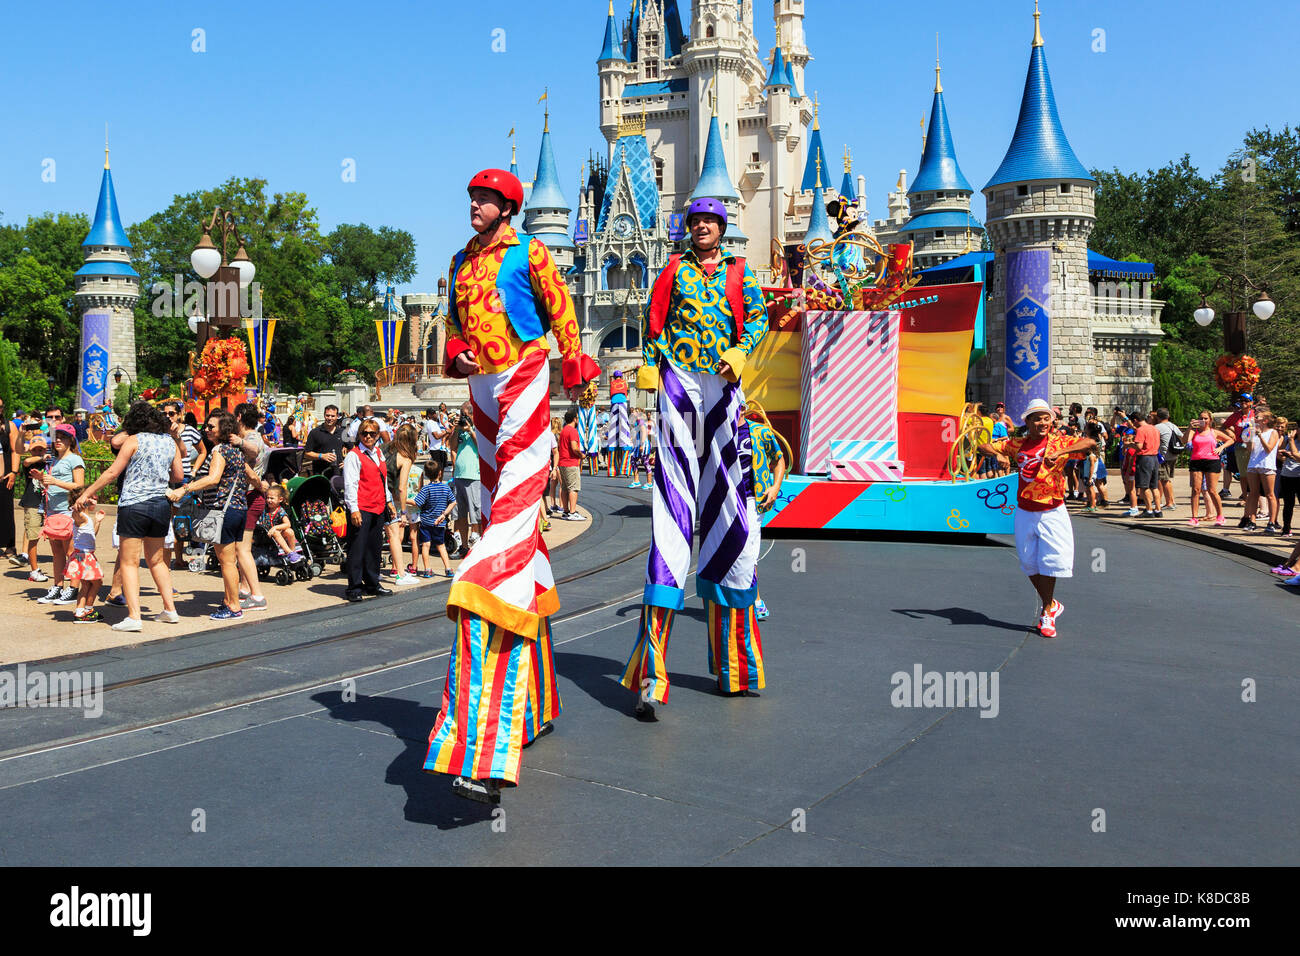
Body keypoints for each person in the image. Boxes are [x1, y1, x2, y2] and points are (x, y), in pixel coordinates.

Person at [423, 167, 599, 805]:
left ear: (508, 207)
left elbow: (562, 311)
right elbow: (453, 325)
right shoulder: (460, 262)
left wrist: (575, 362)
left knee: (503, 543)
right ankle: (539, 700)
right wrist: (457, 352)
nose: (474, 205)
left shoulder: (532, 252)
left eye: (484, 199)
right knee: (516, 530)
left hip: (525, 379)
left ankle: (484, 743)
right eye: (471, 197)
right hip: (481, 394)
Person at [622, 195, 768, 718]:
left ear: (721, 228)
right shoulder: (672, 271)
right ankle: (651, 678)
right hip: (680, 385)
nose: (702, 227)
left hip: (725, 386)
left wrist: (740, 351)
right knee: (672, 514)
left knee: (733, 519)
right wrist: (649, 364)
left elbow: (755, 319)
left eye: (710, 221)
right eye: (696, 221)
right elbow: (654, 323)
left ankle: (735, 667)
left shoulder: (738, 273)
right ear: (688, 227)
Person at [979, 398, 1097, 638]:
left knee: (1051, 562)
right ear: (1028, 422)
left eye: (1046, 418)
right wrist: (998, 455)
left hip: (1052, 511)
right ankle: (1052, 604)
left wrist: (1060, 452)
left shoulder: (1060, 441)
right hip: (1025, 510)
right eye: (1037, 418)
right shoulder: (1017, 444)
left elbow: (1090, 442)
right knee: (1029, 564)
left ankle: (1046, 610)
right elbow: (983, 446)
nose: (1043, 423)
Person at [76, 402, 183, 630]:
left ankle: (134, 616)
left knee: (129, 562)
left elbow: (113, 472)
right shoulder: (169, 442)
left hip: (134, 505)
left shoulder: (133, 441)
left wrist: (87, 492)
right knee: (157, 561)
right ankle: (170, 609)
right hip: (160, 505)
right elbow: (178, 475)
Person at [166, 411, 247, 620]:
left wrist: (185, 489)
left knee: (226, 561)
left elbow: (213, 478)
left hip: (224, 510)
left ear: (224, 430)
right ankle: (229, 601)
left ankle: (234, 607)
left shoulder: (220, 449)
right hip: (238, 509)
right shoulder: (236, 451)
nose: (207, 430)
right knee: (230, 559)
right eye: (207, 426)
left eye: (212, 427)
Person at [30, 424, 85, 608]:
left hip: (68, 510)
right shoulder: (53, 461)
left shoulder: (74, 459)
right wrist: (42, 479)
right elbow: (51, 485)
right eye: (56, 437)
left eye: (63, 437)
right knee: (57, 552)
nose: (58, 440)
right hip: (52, 511)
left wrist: (54, 481)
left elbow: (79, 485)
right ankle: (58, 586)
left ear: (71, 440)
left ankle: (73, 588)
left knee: (72, 552)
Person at [342, 418, 395, 602]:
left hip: (378, 505)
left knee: (374, 548)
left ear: (378, 435)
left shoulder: (379, 453)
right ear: (359, 435)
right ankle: (354, 587)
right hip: (362, 507)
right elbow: (350, 484)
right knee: (357, 548)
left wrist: (388, 501)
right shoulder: (353, 456)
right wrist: (354, 509)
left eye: (372, 433)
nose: (368, 437)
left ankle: (372, 582)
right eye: (365, 433)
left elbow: (383, 480)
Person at [743, 406, 787, 621]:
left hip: (753, 500)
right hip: (725, 502)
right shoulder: (719, 432)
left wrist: (775, 487)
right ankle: (742, 599)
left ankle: (755, 599)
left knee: (748, 552)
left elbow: (778, 459)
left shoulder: (761, 432)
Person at [232, 404, 271, 612]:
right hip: (249, 495)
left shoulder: (252, 437)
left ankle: (257, 596)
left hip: (250, 496)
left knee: (242, 549)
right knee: (242, 548)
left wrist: (239, 441)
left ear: (239, 417)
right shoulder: (254, 435)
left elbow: (254, 449)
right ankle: (246, 588)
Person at [383, 423, 420, 587]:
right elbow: (402, 487)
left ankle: (371, 572)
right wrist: (403, 511)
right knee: (395, 535)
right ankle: (400, 574)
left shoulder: (383, 448)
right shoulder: (406, 457)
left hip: (372, 494)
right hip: (387, 498)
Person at [1185, 410, 1232, 527]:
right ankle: (1194, 517)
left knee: (1212, 490)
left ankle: (1220, 515)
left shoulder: (1213, 432)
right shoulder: (1194, 431)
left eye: (1206, 418)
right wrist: (1189, 427)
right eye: (1201, 418)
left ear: (1210, 420)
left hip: (1212, 461)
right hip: (1196, 461)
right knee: (1196, 489)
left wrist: (1221, 448)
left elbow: (1231, 439)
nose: (1203, 420)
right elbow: (1185, 440)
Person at [449, 401, 481, 559]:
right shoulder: (459, 429)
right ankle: (464, 546)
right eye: (461, 415)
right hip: (459, 476)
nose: (462, 417)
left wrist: (471, 430)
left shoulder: (479, 428)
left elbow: (482, 447)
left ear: (471, 414)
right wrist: (456, 429)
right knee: (460, 514)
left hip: (474, 476)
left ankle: (477, 546)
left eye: (464, 414)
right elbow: (452, 446)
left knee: (476, 513)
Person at [412, 460, 455, 577]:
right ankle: (448, 569)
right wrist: (444, 514)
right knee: (441, 545)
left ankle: (427, 569)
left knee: (426, 545)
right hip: (440, 523)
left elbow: (417, 502)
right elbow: (453, 502)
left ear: (426, 474)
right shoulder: (445, 488)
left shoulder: (426, 489)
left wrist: (403, 499)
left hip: (426, 522)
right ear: (440, 473)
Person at [17, 421, 48, 581]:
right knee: (33, 536)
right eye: (35, 449)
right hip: (33, 503)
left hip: (48, 504)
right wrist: (40, 456)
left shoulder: (48, 463)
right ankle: (34, 570)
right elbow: (27, 461)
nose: (38, 452)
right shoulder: (30, 464)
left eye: (41, 449)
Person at [66, 502, 107, 622]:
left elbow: (91, 535)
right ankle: (88, 610)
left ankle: (80, 612)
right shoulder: (80, 516)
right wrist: (81, 503)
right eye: (91, 498)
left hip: (84, 555)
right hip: (84, 556)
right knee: (97, 583)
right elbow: (75, 513)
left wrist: (97, 521)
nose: (95, 500)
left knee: (87, 584)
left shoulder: (86, 518)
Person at [1243, 410, 1281, 533]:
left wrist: (1259, 435)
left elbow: (1269, 449)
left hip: (1267, 465)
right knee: (1253, 493)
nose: (1255, 419)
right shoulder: (1254, 432)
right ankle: (1252, 521)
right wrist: (1248, 436)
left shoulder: (1273, 432)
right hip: (1254, 464)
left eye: (1257, 417)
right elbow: (1250, 449)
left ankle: (1271, 522)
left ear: (1265, 420)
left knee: (1270, 494)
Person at [1124, 410, 1160, 517]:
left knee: (1144, 486)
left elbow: (1139, 446)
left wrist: (1129, 445)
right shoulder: (1154, 428)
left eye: (1132, 421)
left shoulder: (1141, 430)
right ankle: (1158, 509)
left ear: (1135, 420)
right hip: (1154, 457)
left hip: (1145, 458)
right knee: (1154, 486)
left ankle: (1149, 510)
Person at [1153, 408, 1184, 512]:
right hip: (1173, 455)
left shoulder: (1157, 427)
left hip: (1163, 457)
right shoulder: (1173, 425)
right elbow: (1182, 437)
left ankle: (1170, 503)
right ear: (1168, 416)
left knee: (1164, 480)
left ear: (1157, 417)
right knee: (1166, 479)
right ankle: (1171, 501)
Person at [259, 484, 301, 559]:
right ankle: (289, 553)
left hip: (276, 534)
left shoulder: (280, 511)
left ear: (280, 499)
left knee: (289, 531)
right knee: (276, 532)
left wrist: (275, 527)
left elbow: (288, 524)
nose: (269, 500)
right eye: (267, 498)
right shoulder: (265, 509)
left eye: (272, 498)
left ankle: (293, 552)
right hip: (266, 535)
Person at [0, 395, 18, 566]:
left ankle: (10, 546)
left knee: (6, 509)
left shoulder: (9, 426)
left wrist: (13, 472)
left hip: (5, 474)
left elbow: (15, 450)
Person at [302, 404, 345, 478]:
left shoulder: (343, 432)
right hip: (321, 474)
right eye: (327, 415)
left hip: (338, 474)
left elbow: (353, 449)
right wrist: (321, 456)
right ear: (324, 415)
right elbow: (306, 453)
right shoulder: (315, 432)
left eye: (332, 416)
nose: (330, 418)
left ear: (337, 416)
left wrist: (347, 462)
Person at [558, 408, 584, 519]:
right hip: (571, 462)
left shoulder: (564, 430)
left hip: (562, 462)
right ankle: (572, 513)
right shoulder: (573, 431)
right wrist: (581, 455)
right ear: (574, 419)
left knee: (564, 488)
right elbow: (574, 447)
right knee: (573, 488)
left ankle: (566, 511)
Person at [1276, 419, 1299, 538]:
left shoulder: (1291, 441)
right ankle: (1286, 528)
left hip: (1298, 475)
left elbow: (1297, 456)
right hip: (1287, 474)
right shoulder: (1289, 440)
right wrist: (1284, 455)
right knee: (1288, 504)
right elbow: (1278, 452)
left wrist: (1291, 450)